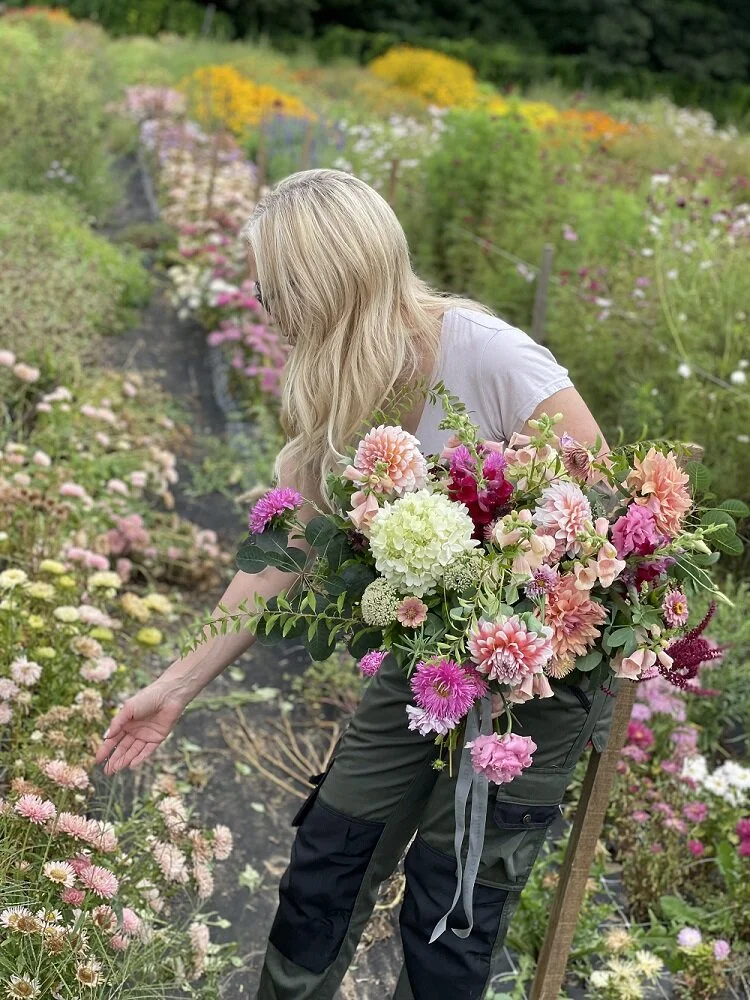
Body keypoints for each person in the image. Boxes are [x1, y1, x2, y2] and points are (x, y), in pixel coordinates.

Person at [96, 169, 616, 1000]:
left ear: (318, 286)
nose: (260, 302)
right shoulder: (333, 383)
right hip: (429, 659)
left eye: (271, 287)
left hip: (538, 681)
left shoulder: (490, 359)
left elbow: (609, 520)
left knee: (453, 911)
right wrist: (174, 685)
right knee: (327, 863)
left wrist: (511, 587)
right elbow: (285, 555)